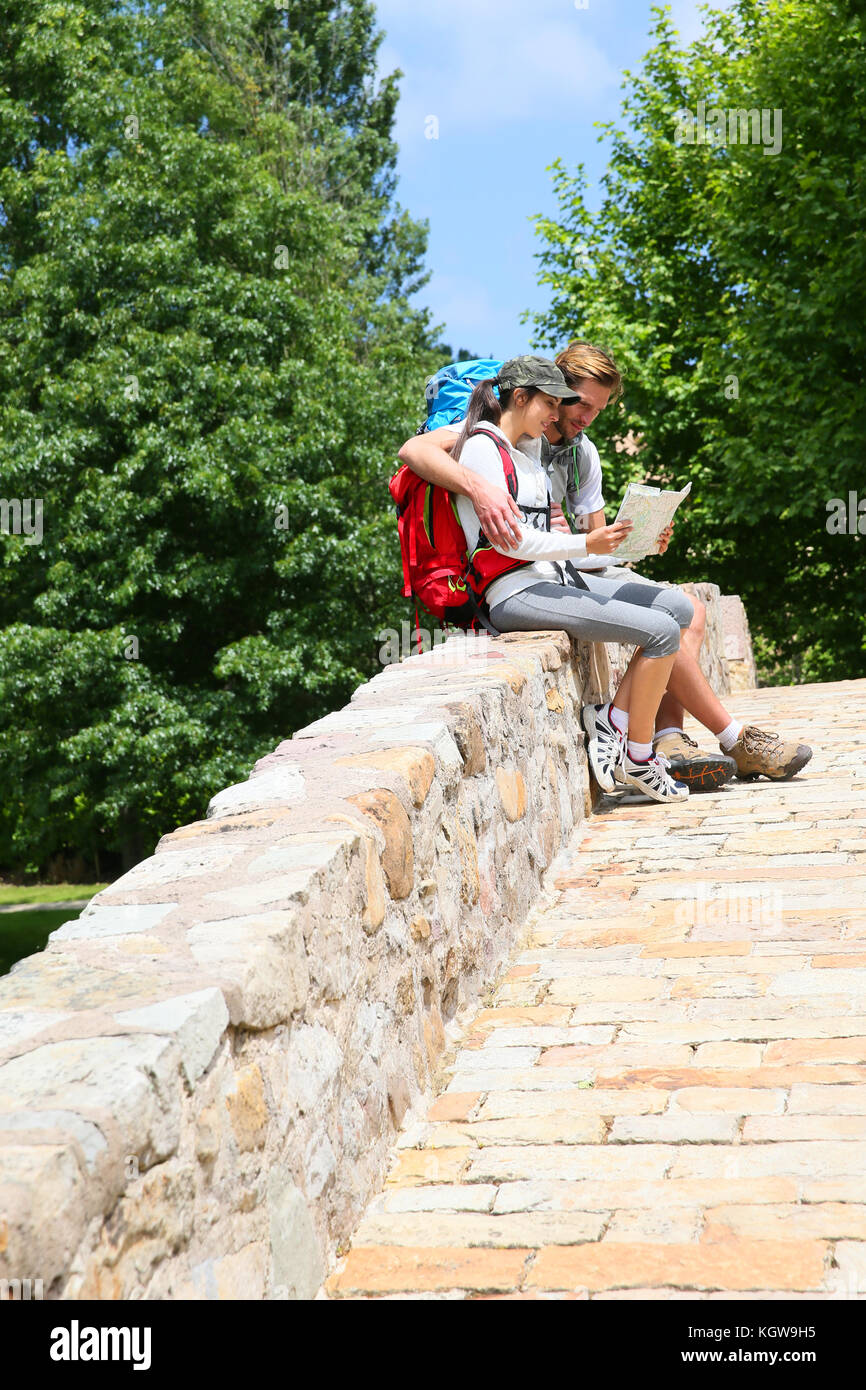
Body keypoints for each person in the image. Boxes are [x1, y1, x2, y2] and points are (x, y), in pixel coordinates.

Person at [397, 341, 812, 787]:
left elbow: (596, 548)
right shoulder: (495, 439)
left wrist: (640, 542)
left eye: (597, 409)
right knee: (663, 625)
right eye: (575, 404)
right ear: (546, 393)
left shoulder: (580, 452)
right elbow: (414, 450)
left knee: (685, 610)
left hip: (567, 566)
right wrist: (479, 489)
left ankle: (666, 736)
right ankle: (717, 740)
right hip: (523, 577)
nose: (582, 417)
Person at [447, 353, 694, 804]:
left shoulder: (526, 451)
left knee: (677, 608)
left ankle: (613, 723)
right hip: (513, 592)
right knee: (659, 632)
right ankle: (637, 757)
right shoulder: (483, 448)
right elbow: (512, 545)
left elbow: (547, 543)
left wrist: (630, 542)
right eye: (549, 404)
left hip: (551, 578)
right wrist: (587, 545)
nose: (555, 414)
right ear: (520, 398)